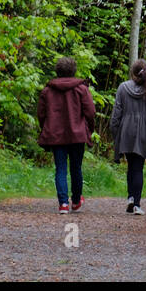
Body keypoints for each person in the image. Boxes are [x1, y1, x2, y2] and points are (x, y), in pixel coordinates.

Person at [37, 56, 95, 213]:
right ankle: (76, 201)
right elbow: (90, 112)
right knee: (76, 167)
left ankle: (63, 204)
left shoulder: (47, 91)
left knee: (60, 168)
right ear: (73, 70)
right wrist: (90, 128)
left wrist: (45, 128)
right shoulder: (82, 89)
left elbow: (41, 114)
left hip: (56, 136)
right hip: (77, 135)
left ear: (57, 71)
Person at [109, 57, 146, 215]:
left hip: (126, 131)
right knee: (137, 167)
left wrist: (114, 131)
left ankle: (130, 197)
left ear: (132, 72)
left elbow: (116, 112)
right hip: (143, 131)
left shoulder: (122, 88)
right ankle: (136, 204)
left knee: (131, 165)